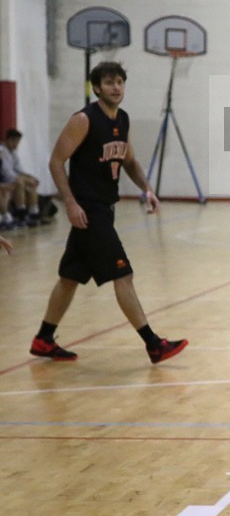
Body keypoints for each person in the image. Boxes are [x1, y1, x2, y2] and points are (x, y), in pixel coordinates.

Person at [29, 61, 188, 364]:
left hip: (104, 208)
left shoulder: (122, 120)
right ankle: (153, 344)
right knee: (123, 275)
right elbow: (55, 162)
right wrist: (71, 203)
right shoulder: (84, 120)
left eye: (120, 82)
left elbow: (129, 161)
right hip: (89, 212)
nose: (116, 87)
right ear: (97, 87)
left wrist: (147, 188)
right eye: (109, 82)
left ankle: (44, 339)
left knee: (69, 277)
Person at [0, 129, 42, 227]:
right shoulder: (2, 150)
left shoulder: (13, 153)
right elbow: (6, 173)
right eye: (14, 141)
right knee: (20, 182)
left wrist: (30, 177)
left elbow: (19, 170)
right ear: (8, 140)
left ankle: (33, 212)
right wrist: (23, 179)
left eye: (17, 142)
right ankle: (20, 213)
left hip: (10, 179)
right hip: (5, 180)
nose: (16, 144)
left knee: (31, 182)